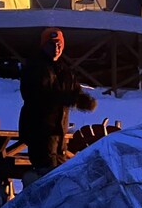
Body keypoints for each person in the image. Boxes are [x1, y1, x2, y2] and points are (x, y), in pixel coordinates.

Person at [19, 27, 96, 185]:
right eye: (51, 44)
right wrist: (69, 98)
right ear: (43, 46)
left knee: (59, 173)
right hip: (40, 131)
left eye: (59, 44)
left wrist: (83, 100)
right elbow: (38, 95)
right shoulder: (36, 68)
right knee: (47, 174)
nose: (56, 48)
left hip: (59, 132)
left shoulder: (65, 70)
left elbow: (73, 91)